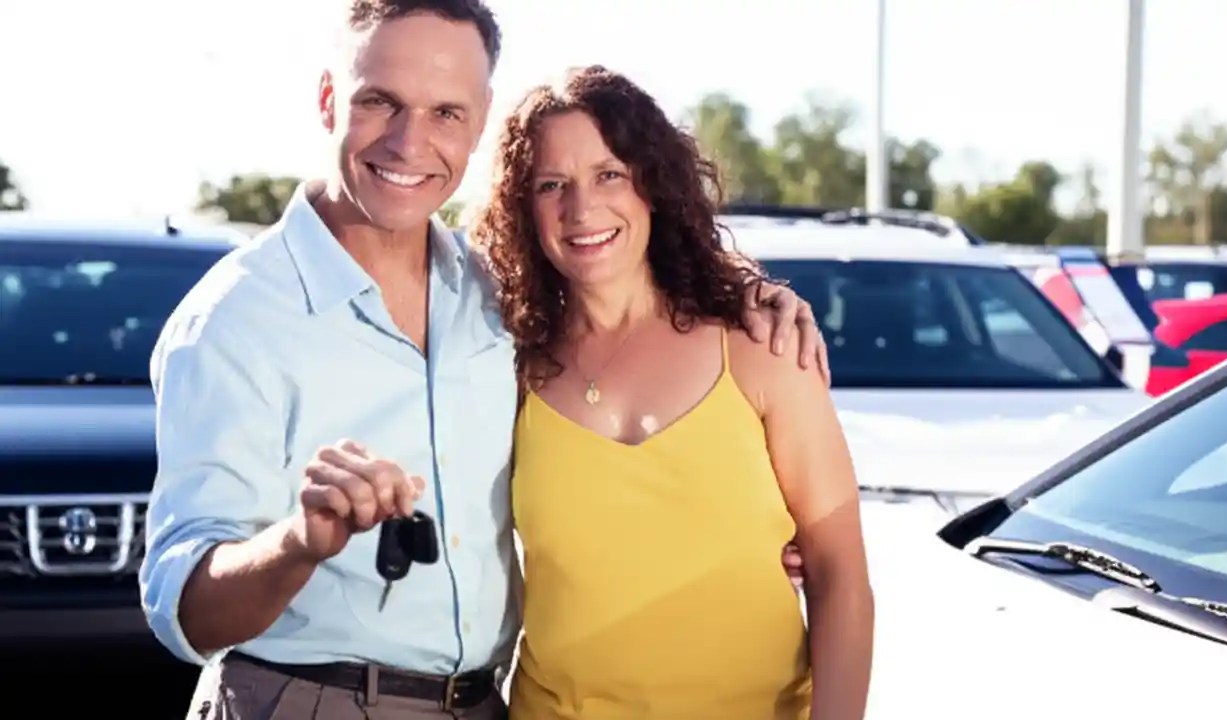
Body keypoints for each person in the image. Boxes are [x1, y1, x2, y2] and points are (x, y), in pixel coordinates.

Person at [139, 2, 826, 719]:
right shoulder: (234, 321)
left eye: (446, 112)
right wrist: (298, 545)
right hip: (306, 701)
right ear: (326, 99)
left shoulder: (495, 293)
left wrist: (748, 292)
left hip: (485, 705)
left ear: (481, 118)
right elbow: (186, 613)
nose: (410, 143)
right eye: (379, 102)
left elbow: (625, 298)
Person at [465, 65, 876, 719]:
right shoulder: (506, 364)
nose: (582, 208)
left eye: (610, 174)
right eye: (552, 185)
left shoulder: (761, 344)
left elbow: (840, 573)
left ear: (652, 184)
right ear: (523, 207)